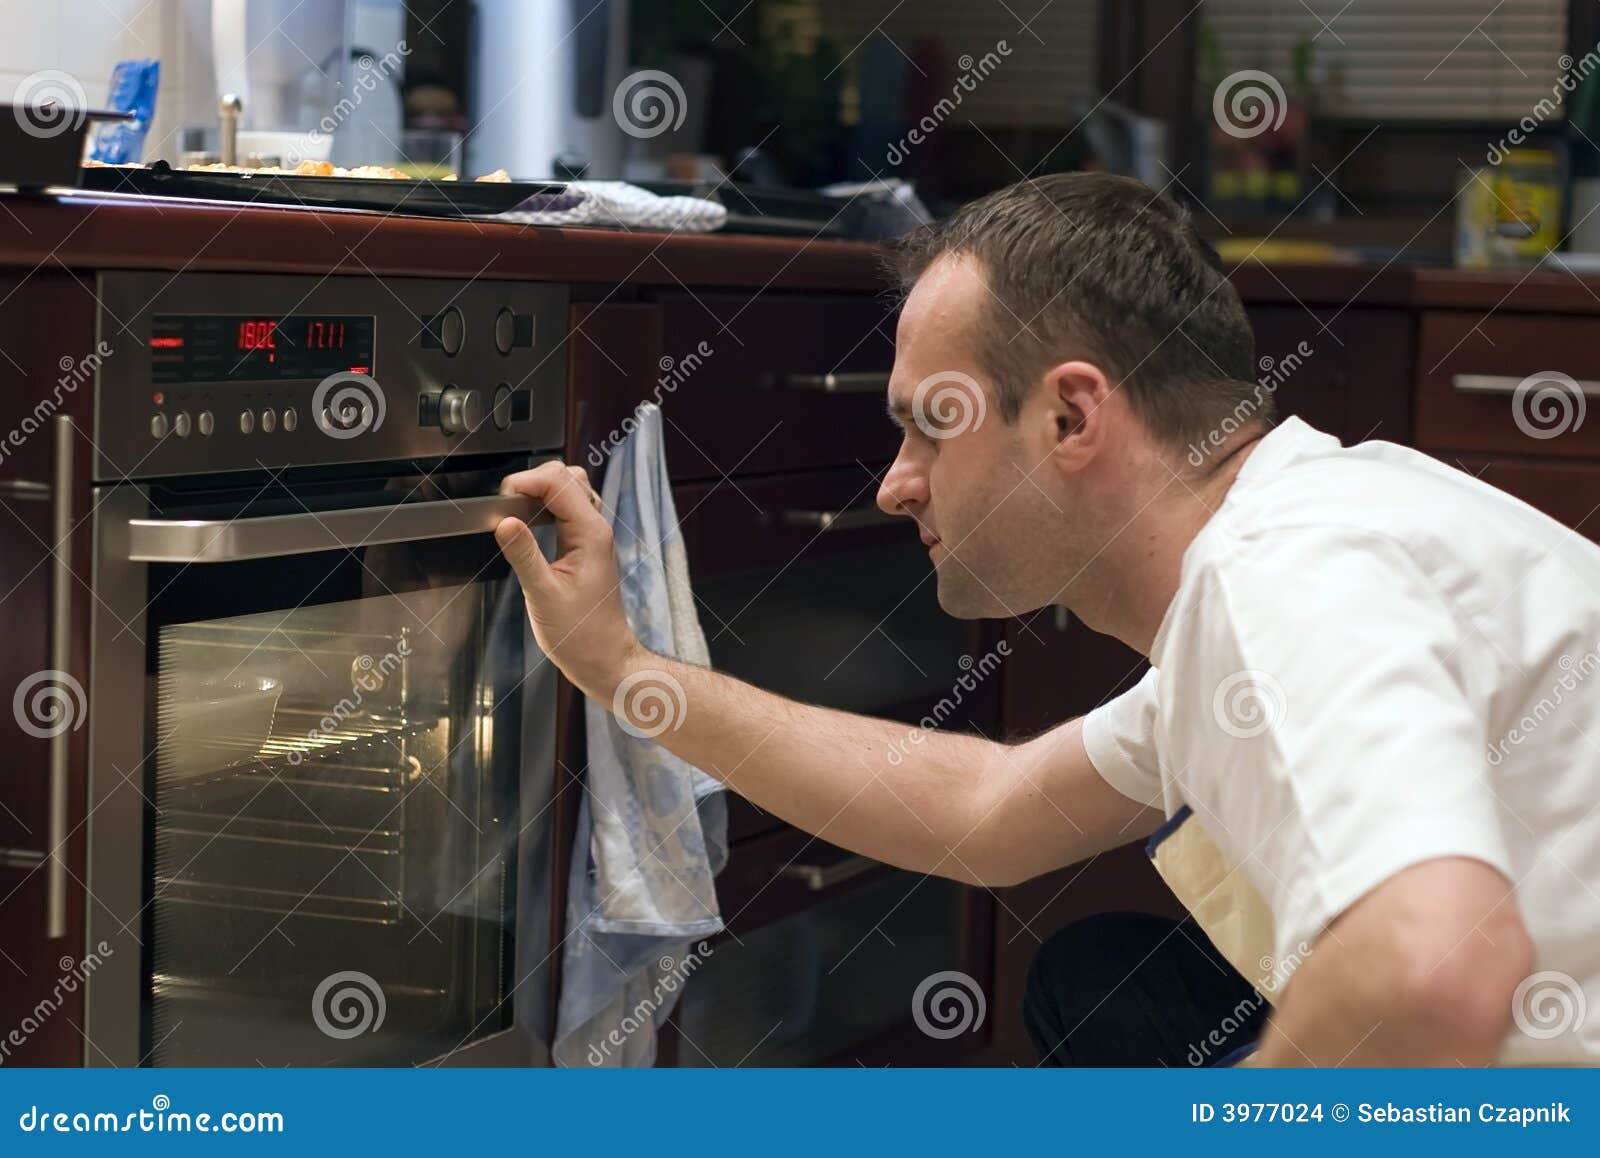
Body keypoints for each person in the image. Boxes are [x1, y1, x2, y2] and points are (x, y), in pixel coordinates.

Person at [493, 172, 1598, 1066]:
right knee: (1103, 980)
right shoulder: (1302, 535)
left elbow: (1427, 974)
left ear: (1071, 415)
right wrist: (619, 663)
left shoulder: (1281, 577)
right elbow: (988, 810)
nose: (895, 484)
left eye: (932, 424)